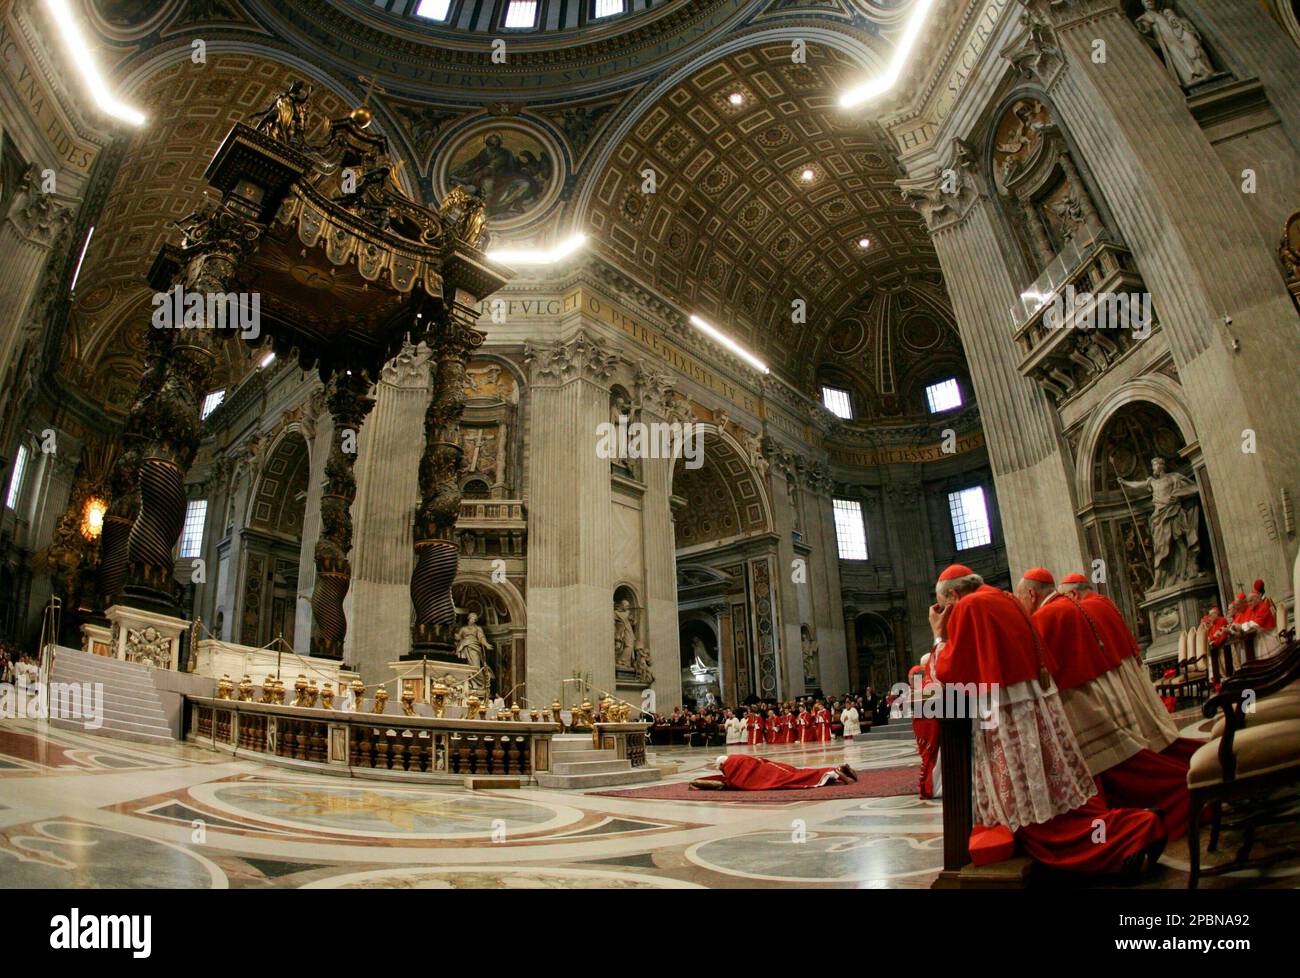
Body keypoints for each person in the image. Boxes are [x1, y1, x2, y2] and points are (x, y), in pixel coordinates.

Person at [930, 564, 1166, 876]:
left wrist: (938, 635)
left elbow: (947, 673)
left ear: (953, 595)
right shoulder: (1004, 598)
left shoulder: (970, 607)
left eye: (943, 603)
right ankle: (1129, 826)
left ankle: (1132, 831)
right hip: (1031, 712)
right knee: (1052, 799)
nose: (943, 610)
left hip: (1008, 718)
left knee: (1040, 820)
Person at [1019, 568, 1191, 841]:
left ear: (1030, 593)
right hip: (1104, 689)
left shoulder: (1047, 615)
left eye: (1022, 597)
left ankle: (1152, 815)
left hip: (1079, 703)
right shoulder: (1083, 605)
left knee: (1121, 769)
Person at [690, 754, 858, 790]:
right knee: (798, 772)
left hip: (770, 776)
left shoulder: (731, 766)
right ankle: (835, 770)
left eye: (721, 768)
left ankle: (833, 772)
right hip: (771, 766)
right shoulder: (738, 758)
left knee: (796, 778)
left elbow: (739, 781)